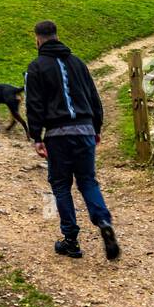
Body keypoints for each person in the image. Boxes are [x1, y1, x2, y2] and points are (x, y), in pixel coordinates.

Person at [24, 19, 120, 261]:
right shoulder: (78, 63)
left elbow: (33, 105)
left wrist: (36, 136)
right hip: (85, 130)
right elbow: (94, 97)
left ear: (37, 39)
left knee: (60, 185)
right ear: (57, 36)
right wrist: (96, 127)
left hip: (58, 134)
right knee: (88, 181)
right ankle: (104, 221)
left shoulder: (36, 68)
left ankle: (71, 241)